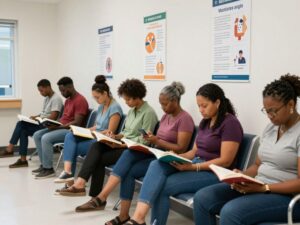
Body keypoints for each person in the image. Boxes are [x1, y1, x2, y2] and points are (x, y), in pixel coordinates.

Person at [124, 83, 244, 225]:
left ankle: (140, 220)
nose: (201, 110)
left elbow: (226, 161)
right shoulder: (206, 122)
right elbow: (194, 152)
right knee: (157, 163)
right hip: (197, 165)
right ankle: (138, 218)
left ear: (217, 102)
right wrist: (176, 157)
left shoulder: (230, 123)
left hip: (215, 173)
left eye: (204, 106)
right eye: (199, 106)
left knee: (161, 186)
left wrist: (193, 167)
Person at [76, 82, 195, 224]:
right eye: (161, 104)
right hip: (156, 154)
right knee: (128, 167)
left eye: (165, 104)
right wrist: (151, 138)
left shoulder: (185, 119)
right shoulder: (165, 117)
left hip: (169, 159)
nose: (162, 108)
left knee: (127, 159)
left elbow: (181, 148)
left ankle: (102, 197)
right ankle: (123, 215)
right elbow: (156, 139)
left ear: (175, 101)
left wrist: (156, 141)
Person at [193, 74, 300, 225]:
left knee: (231, 212)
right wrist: (242, 176)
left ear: (290, 105)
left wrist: (264, 188)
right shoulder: (271, 129)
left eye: (273, 111)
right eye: (266, 110)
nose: (269, 116)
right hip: (260, 185)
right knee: (203, 198)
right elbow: (257, 165)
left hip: (288, 196)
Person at [56, 78, 158, 201]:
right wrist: (116, 136)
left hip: (133, 149)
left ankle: (90, 193)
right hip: (123, 143)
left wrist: (121, 144)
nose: (126, 102)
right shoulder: (132, 111)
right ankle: (82, 185)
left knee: (97, 157)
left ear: (138, 97)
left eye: (128, 99)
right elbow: (125, 132)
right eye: (125, 99)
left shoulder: (149, 113)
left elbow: (145, 140)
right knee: (96, 147)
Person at [54, 75, 123, 183]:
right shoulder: (101, 106)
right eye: (94, 97)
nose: (96, 100)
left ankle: (69, 179)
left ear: (105, 94)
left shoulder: (115, 108)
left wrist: (94, 132)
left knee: (72, 148)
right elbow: (97, 125)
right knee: (69, 135)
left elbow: (110, 132)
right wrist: (87, 130)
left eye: (97, 97)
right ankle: (67, 173)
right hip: (94, 135)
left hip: (101, 140)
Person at [32, 77, 89, 179]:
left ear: (70, 87)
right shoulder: (67, 101)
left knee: (46, 138)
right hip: (62, 127)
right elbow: (64, 118)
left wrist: (59, 127)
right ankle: (44, 165)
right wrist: (52, 123)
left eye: (63, 90)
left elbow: (77, 123)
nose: (62, 93)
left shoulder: (80, 100)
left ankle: (49, 169)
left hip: (71, 131)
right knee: (37, 135)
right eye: (60, 91)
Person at [0, 79, 63, 168]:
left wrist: (38, 118)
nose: (41, 93)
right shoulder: (47, 98)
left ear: (48, 87)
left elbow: (53, 117)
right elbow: (44, 113)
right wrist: (36, 117)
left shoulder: (56, 99)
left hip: (47, 126)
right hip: (41, 123)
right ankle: (23, 160)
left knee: (21, 124)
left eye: (42, 90)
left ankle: (10, 148)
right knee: (23, 131)